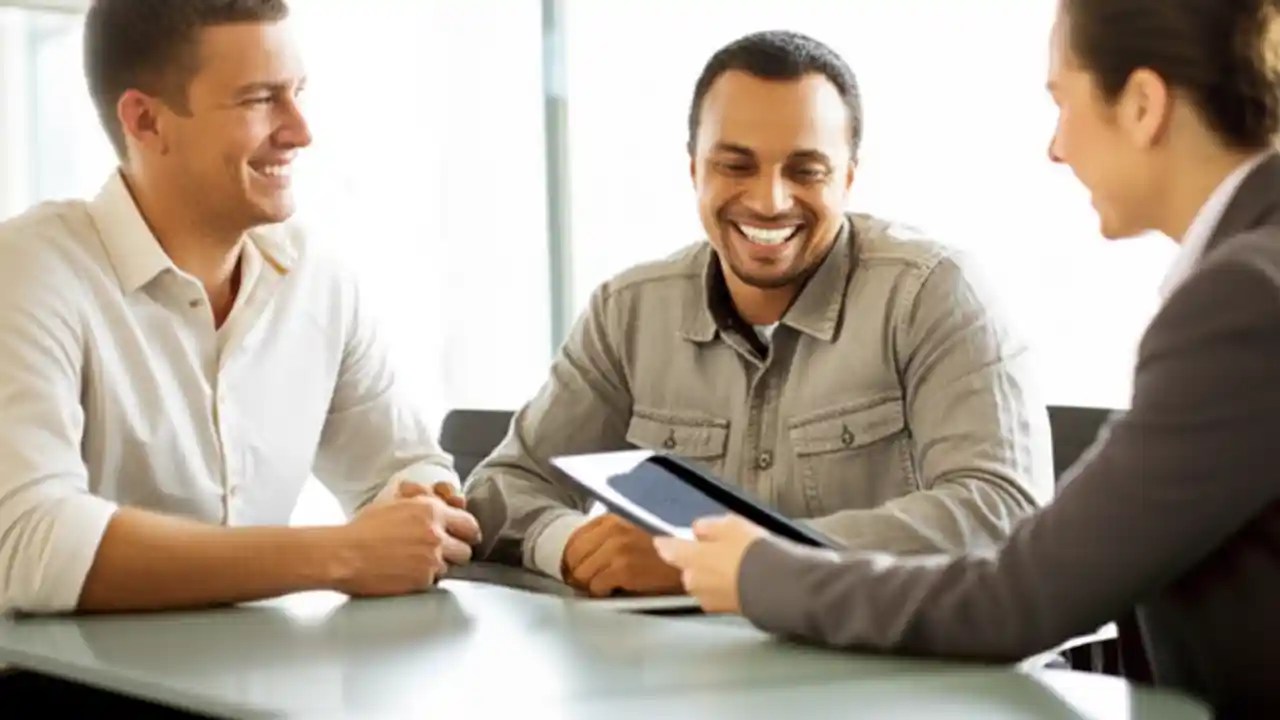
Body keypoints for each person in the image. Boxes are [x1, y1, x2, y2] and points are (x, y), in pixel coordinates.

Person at [656, 1, 1280, 716]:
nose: (1056, 147)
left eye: (1061, 101)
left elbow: (1023, 596)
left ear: (1142, 104)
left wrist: (757, 571)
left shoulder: (1242, 301)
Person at [465, 30, 1053, 598]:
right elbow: (501, 490)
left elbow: (1000, 511)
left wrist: (730, 561)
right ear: (693, 169)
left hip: (914, 683)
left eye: (806, 170)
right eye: (736, 165)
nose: (770, 200)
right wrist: (571, 544)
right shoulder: (629, 311)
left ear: (848, 178)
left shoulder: (935, 292)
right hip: (703, 684)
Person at [0, 0, 484, 618]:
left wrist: (423, 508)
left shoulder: (316, 280)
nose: (300, 130)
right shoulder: (30, 272)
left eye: (297, 92)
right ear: (146, 121)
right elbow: (32, 544)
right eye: (259, 100)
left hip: (253, 690)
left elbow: (401, 466)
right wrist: (339, 555)